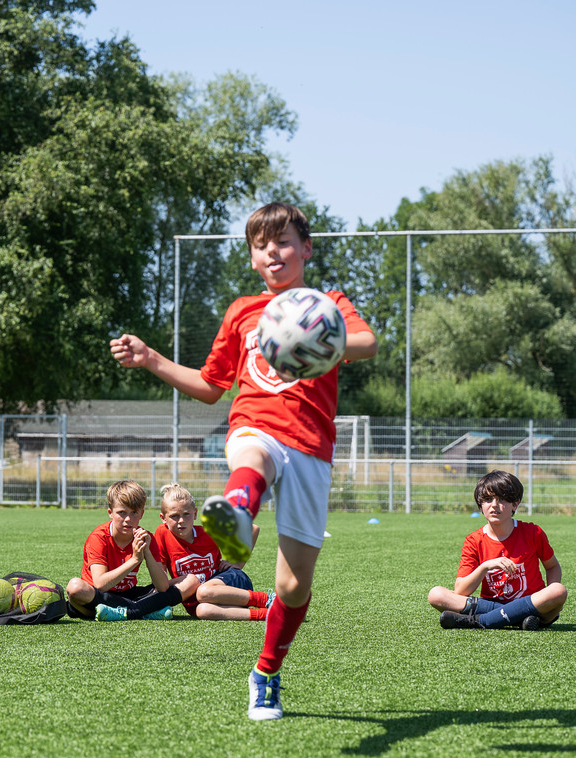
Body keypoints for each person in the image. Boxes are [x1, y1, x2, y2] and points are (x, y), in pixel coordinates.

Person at [110, 201, 378, 721]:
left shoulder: (329, 302)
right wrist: (151, 359)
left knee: (293, 586)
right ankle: (236, 509)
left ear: (306, 248)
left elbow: (367, 342)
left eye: (281, 242)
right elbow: (212, 387)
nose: (272, 253)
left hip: (312, 449)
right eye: (261, 245)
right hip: (255, 425)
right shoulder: (242, 312)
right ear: (253, 257)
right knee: (252, 454)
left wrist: (319, 335)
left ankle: (266, 674)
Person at [427, 470, 568, 630]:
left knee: (558, 590)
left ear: (515, 504)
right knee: (436, 594)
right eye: (488, 499)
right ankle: (517, 618)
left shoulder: (533, 532)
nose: (494, 505)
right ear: (480, 505)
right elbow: (460, 590)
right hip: (490, 604)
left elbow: (552, 566)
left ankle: (480, 621)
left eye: (502, 499)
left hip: (531, 602)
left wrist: (549, 599)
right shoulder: (474, 540)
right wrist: (485, 566)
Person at [152, 483, 274, 621]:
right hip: (200, 601)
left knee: (204, 591)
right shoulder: (162, 534)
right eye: (174, 516)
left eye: (186, 514)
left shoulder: (208, 532)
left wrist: (238, 563)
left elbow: (252, 529)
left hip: (230, 582)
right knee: (202, 611)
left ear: (195, 514)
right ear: (163, 518)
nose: (181, 521)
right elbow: (161, 579)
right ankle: (268, 615)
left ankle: (268, 600)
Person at [65, 480, 182, 621]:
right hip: (100, 595)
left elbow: (162, 587)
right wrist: (134, 560)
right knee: (75, 587)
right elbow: (101, 584)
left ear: (142, 514)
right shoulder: (99, 537)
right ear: (110, 513)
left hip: (129, 594)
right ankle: (142, 611)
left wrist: (147, 553)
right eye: (122, 512)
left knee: (190, 581)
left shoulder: (145, 537)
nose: (128, 519)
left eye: (134, 512)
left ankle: (121, 613)